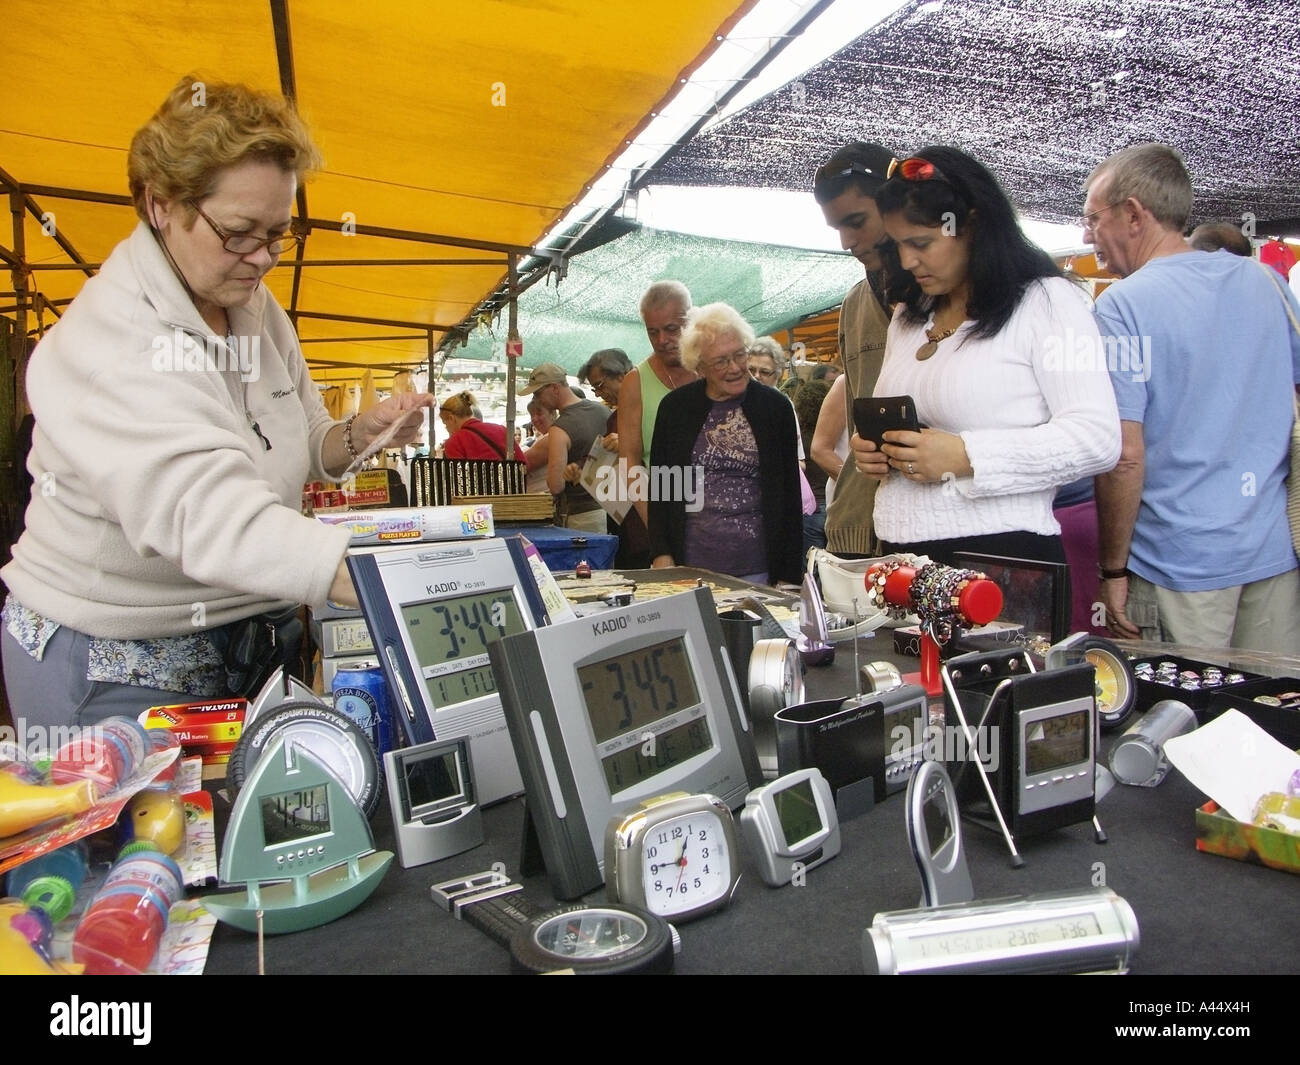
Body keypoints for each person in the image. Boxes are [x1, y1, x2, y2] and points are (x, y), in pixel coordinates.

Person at [1, 77, 432, 728]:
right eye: (239, 232)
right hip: (117, 662)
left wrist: (364, 433)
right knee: (147, 830)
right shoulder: (114, 335)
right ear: (160, 205)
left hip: (249, 643)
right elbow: (209, 514)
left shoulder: (256, 310)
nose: (262, 258)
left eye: (278, 233)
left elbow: (309, 440)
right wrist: (398, 585)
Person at [849, 146, 1121, 567]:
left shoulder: (1050, 301)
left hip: (1000, 557)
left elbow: (1097, 440)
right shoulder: (907, 314)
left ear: (971, 226)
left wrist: (967, 456)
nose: (907, 260)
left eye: (921, 242)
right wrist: (877, 450)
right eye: (898, 244)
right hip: (900, 557)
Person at [1084, 143, 1300, 653]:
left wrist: (1113, 568)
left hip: (1177, 565)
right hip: (1271, 553)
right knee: (1271, 720)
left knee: (1176, 721)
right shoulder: (1267, 281)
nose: (1087, 234)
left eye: (1093, 218)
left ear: (1134, 214)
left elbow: (1124, 456)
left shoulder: (1121, 306)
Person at [648, 303, 802, 585]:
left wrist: (790, 576)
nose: (734, 368)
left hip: (759, 567)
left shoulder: (775, 407)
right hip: (692, 566)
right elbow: (662, 488)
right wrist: (662, 552)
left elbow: (789, 494)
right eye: (720, 361)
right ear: (699, 366)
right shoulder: (675, 409)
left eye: (739, 355)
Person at [811, 142, 898, 557]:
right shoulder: (855, 304)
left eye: (857, 221)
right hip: (857, 526)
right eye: (837, 229)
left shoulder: (953, 294)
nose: (847, 241)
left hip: (932, 521)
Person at [617, 281, 697, 528]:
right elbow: (629, 459)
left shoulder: (714, 370)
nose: (662, 340)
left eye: (671, 329)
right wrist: (655, 526)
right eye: (653, 332)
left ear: (690, 320)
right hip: (668, 506)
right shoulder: (635, 382)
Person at [579, 347, 650, 567]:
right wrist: (581, 468)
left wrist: (631, 447)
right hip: (623, 520)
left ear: (621, 376)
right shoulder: (614, 418)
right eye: (594, 389)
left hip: (649, 519)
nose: (599, 394)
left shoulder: (651, 406)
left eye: (599, 385)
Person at [519, 362, 610, 534]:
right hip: (615, 508)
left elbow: (555, 485)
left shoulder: (560, 429)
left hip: (582, 515)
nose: (537, 400)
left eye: (538, 393)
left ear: (554, 388)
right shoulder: (602, 411)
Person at [439, 390, 508, 458]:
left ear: (451, 419)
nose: (446, 428)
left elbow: (458, 469)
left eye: (445, 424)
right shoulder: (502, 430)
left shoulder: (454, 443)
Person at [522, 397, 555, 494]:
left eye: (539, 414)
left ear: (553, 414)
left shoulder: (551, 437)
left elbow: (523, 464)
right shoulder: (544, 437)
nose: (534, 419)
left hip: (543, 498)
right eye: (532, 415)